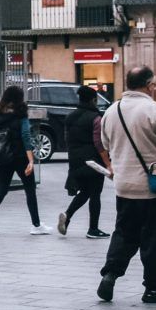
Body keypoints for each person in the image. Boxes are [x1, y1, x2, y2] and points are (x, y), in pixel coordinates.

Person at [97, 65, 156, 304]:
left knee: (124, 234)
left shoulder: (112, 110)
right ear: (149, 85)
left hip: (124, 186)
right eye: (155, 85)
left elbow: (106, 143)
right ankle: (153, 288)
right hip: (154, 188)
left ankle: (110, 274)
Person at [0, 85, 45, 235]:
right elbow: (26, 136)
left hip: (2, 155)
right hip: (20, 156)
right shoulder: (21, 114)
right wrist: (31, 160)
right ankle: (36, 225)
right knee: (30, 189)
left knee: (2, 188)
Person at [58, 86, 110, 240]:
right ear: (93, 100)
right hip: (93, 161)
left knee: (86, 192)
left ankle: (67, 217)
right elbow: (98, 143)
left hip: (75, 159)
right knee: (95, 194)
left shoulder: (70, 117)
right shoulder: (96, 118)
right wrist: (107, 163)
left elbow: (67, 139)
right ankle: (93, 229)